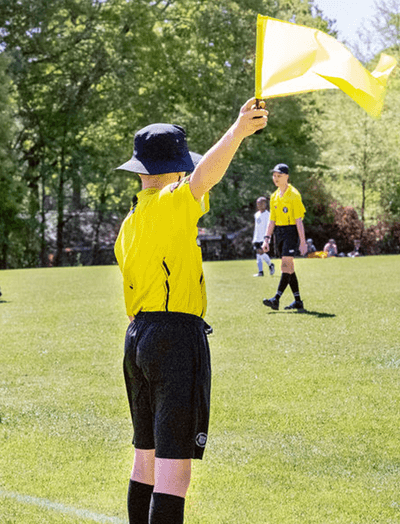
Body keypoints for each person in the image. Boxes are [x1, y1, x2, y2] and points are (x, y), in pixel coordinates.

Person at [114, 98, 268, 524]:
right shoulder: (171, 202)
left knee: (144, 458)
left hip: (137, 338)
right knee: (173, 471)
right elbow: (204, 178)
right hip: (175, 338)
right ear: (175, 169)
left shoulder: (130, 221)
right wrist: (237, 131)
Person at [262, 163, 307, 311]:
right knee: (290, 268)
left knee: (285, 266)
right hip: (279, 233)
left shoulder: (294, 194)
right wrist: (266, 238)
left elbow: (298, 220)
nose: (276, 178)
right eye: (274, 175)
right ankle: (298, 301)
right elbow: (272, 220)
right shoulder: (274, 196)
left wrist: (303, 242)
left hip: (291, 232)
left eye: (279, 176)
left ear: (286, 177)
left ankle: (276, 299)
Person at [251, 196, 275, 277]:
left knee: (260, 252)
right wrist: (254, 238)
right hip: (257, 237)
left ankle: (270, 265)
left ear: (265, 204)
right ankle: (261, 272)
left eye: (261, 203)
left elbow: (270, 226)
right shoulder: (256, 214)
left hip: (264, 237)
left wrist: (267, 238)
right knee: (258, 255)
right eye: (258, 203)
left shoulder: (268, 214)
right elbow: (256, 227)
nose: (259, 205)